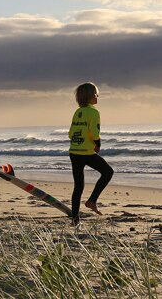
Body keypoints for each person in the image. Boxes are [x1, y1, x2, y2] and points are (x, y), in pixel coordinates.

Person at [67, 82, 114, 222]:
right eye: (96, 94)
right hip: (86, 152)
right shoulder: (93, 112)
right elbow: (94, 131)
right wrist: (97, 144)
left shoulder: (78, 112)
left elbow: (71, 133)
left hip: (74, 152)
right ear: (90, 96)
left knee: (78, 186)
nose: (97, 96)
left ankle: (75, 218)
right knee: (108, 172)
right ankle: (92, 200)